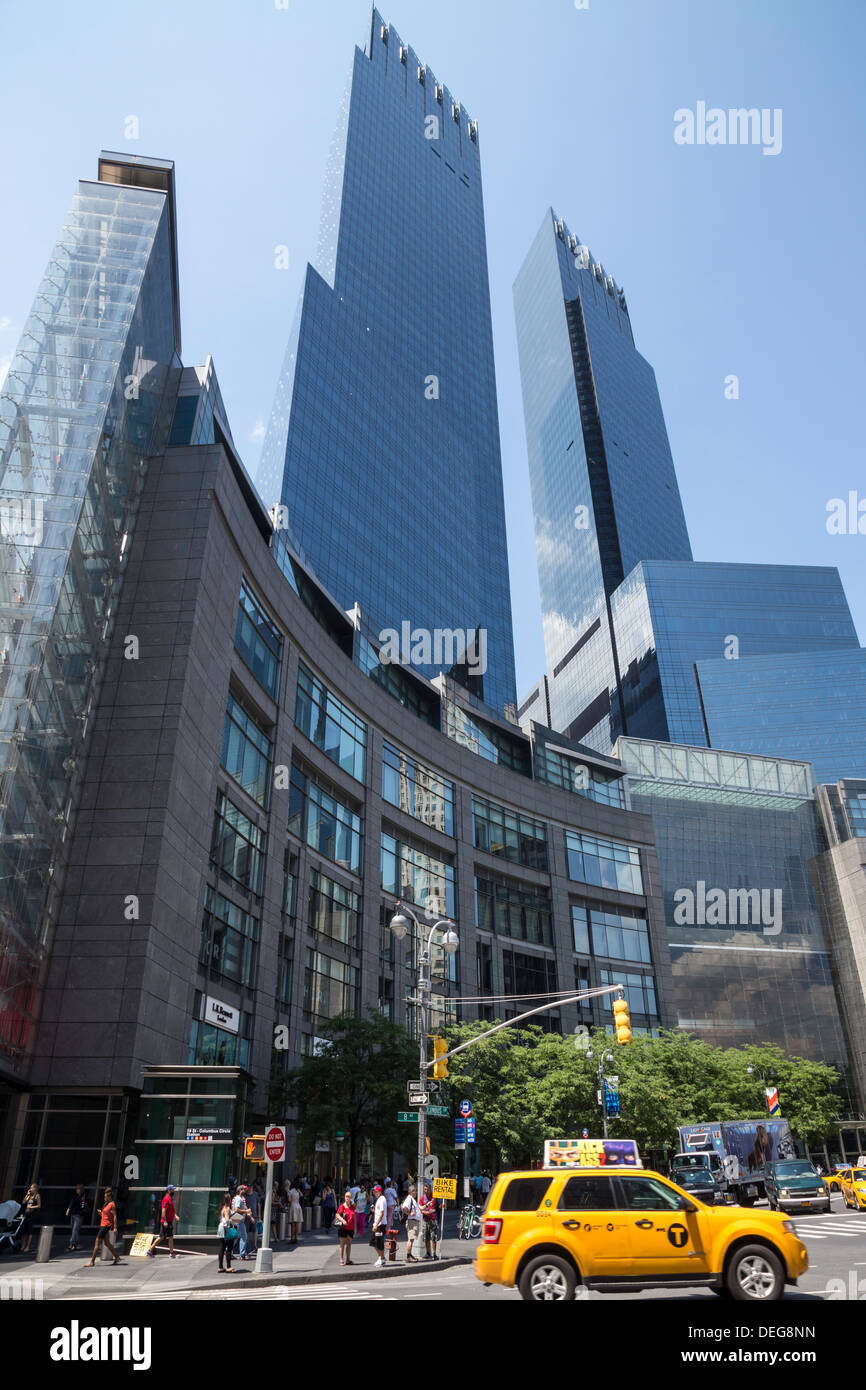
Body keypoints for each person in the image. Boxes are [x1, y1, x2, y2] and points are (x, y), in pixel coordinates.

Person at [86, 1188, 121, 1266]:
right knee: (107, 1243)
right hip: (104, 1225)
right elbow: (106, 1216)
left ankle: (92, 1262)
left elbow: (115, 1216)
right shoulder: (107, 1204)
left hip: (105, 1226)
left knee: (97, 1243)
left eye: (105, 1197)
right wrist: (101, 1213)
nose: (104, 1198)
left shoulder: (112, 1204)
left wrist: (115, 1227)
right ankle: (117, 1257)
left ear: (109, 1197)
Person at [150, 1184, 179, 1258]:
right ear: (169, 1190)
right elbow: (163, 1211)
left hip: (169, 1221)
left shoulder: (170, 1198)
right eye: (173, 1190)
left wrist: (175, 1216)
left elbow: (171, 1210)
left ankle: (172, 1253)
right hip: (166, 1222)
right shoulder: (166, 1199)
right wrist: (165, 1221)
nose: (174, 1191)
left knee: (170, 1237)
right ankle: (150, 1250)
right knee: (161, 1237)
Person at [230, 1185, 253, 1261]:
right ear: (239, 1190)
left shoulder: (239, 1198)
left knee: (236, 1237)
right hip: (238, 1217)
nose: (245, 1191)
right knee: (243, 1237)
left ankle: (229, 1252)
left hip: (237, 1218)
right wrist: (246, 1211)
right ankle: (242, 1255)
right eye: (243, 1189)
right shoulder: (238, 1199)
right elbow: (236, 1210)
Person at [401, 1184, 423, 1262]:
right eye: (415, 1191)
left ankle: (409, 1255)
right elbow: (404, 1208)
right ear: (411, 1192)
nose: (416, 1192)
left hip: (413, 1221)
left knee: (411, 1239)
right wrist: (410, 1214)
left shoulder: (412, 1199)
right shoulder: (409, 1199)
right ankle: (408, 1256)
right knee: (410, 1239)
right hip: (411, 1221)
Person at [334, 1191, 355, 1266]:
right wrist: (343, 1221)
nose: (347, 1198)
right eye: (346, 1196)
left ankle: (348, 1260)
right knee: (342, 1244)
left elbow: (354, 1218)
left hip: (351, 1228)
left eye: (349, 1196)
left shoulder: (352, 1207)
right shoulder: (342, 1206)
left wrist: (355, 1229)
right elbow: (337, 1215)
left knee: (349, 1244)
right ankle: (341, 1259)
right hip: (343, 1228)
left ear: (351, 1198)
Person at [19, 1183, 41, 1255]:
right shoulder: (29, 1196)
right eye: (30, 1188)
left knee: (29, 1231)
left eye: (32, 1188)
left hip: (32, 1215)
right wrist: (27, 1194)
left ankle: (27, 1246)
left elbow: (39, 1205)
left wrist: (31, 1207)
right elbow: (23, 1202)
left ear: (35, 1188)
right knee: (24, 1231)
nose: (31, 1189)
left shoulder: (37, 1196)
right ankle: (23, 1246)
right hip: (26, 1215)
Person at [217, 1195, 236, 1273]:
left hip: (221, 1228)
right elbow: (228, 1219)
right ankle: (228, 1267)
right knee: (229, 1248)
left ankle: (220, 1267)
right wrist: (236, 1219)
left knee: (222, 1247)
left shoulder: (222, 1207)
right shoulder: (227, 1208)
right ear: (229, 1200)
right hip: (227, 1228)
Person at [66, 1184, 88, 1252]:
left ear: (81, 1190)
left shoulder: (83, 1196)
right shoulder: (75, 1196)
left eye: (78, 1189)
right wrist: (68, 1209)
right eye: (76, 1189)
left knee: (75, 1230)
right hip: (73, 1214)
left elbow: (83, 1205)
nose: (77, 1190)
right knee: (74, 1230)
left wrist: (83, 1206)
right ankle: (74, 1245)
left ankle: (71, 1244)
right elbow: (71, 1203)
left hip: (79, 1215)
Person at [371, 1184, 388, 1269]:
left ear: (379, 1191)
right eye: (373, 1191)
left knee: (379, 1242)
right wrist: (374, 1210)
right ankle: (382, 1257)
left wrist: (376, 1225)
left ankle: (381, 1259)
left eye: (375, 1191)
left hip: (380, 1225)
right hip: (378, 1224)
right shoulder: (379, 1199)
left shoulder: (382, 1199)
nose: (374, 1192)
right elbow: (379, 1212)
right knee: (374, 1242)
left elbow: (382, 1213)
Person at [421, 1183, 439, 1259]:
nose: (426, 1191)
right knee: (426, 1237)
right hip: (425, 1220)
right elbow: (420, 1209)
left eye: (427, 1189)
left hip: (433, 1220)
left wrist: (442, 1206)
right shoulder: (422, 1198)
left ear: (430, 1189)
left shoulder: (435, 1197)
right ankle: (428, 1253)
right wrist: (426, 1212)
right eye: (425, 1189)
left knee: (433, 1237)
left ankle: (434, 1254)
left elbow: (439, 1206)